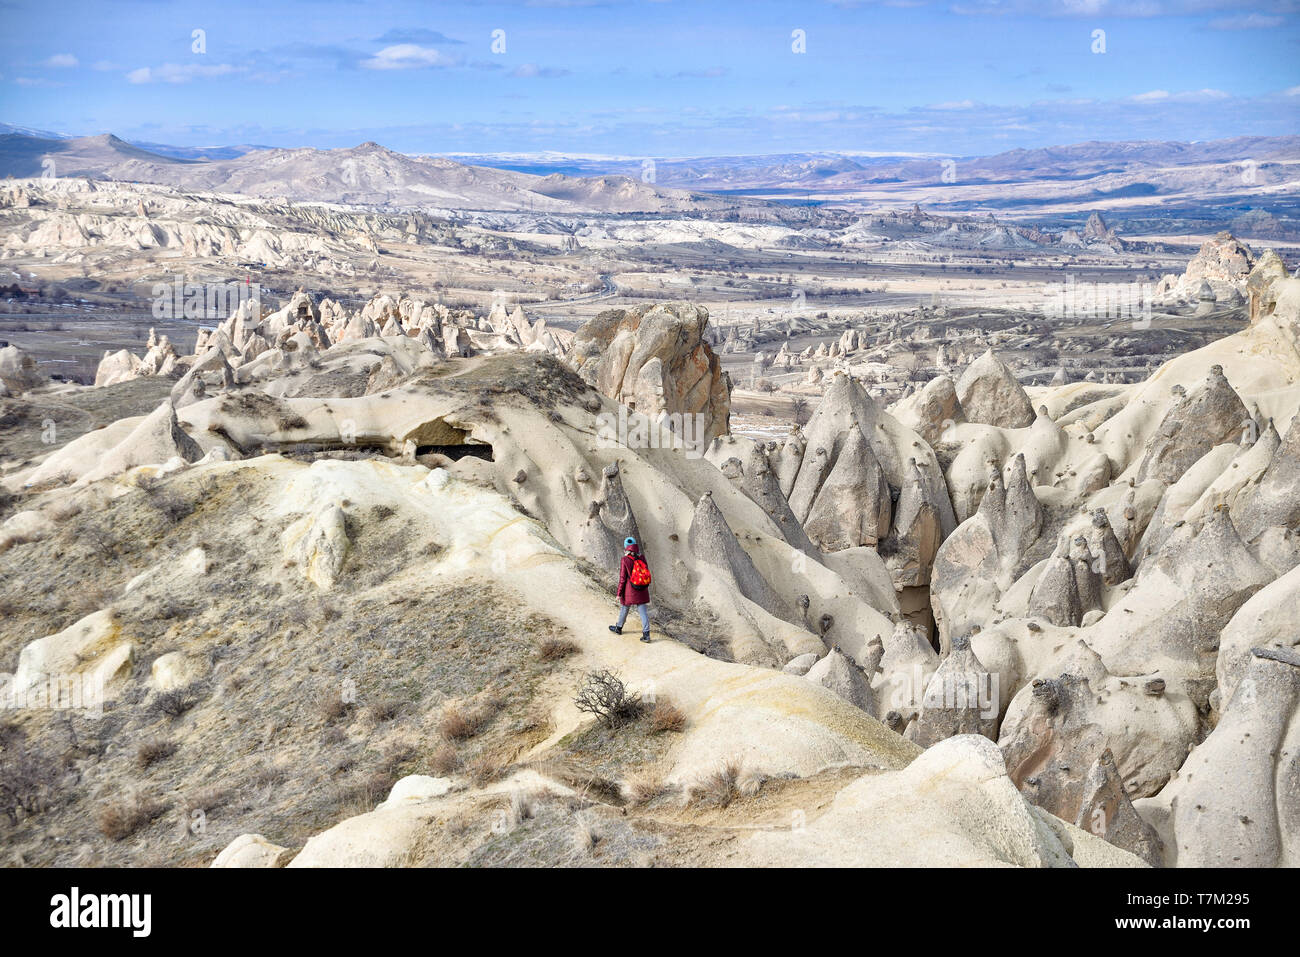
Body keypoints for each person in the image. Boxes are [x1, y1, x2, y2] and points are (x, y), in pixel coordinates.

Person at [609, 536, 651, 642]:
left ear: (626, 548)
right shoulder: (642, 557)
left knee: (624, 608)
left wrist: (619, 594)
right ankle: (646, 635)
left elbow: (622, 579)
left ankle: (618, 628)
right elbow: (645, 572)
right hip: (642, 588)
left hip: (630, 590)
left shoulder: (625, 560)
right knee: (643, 612)